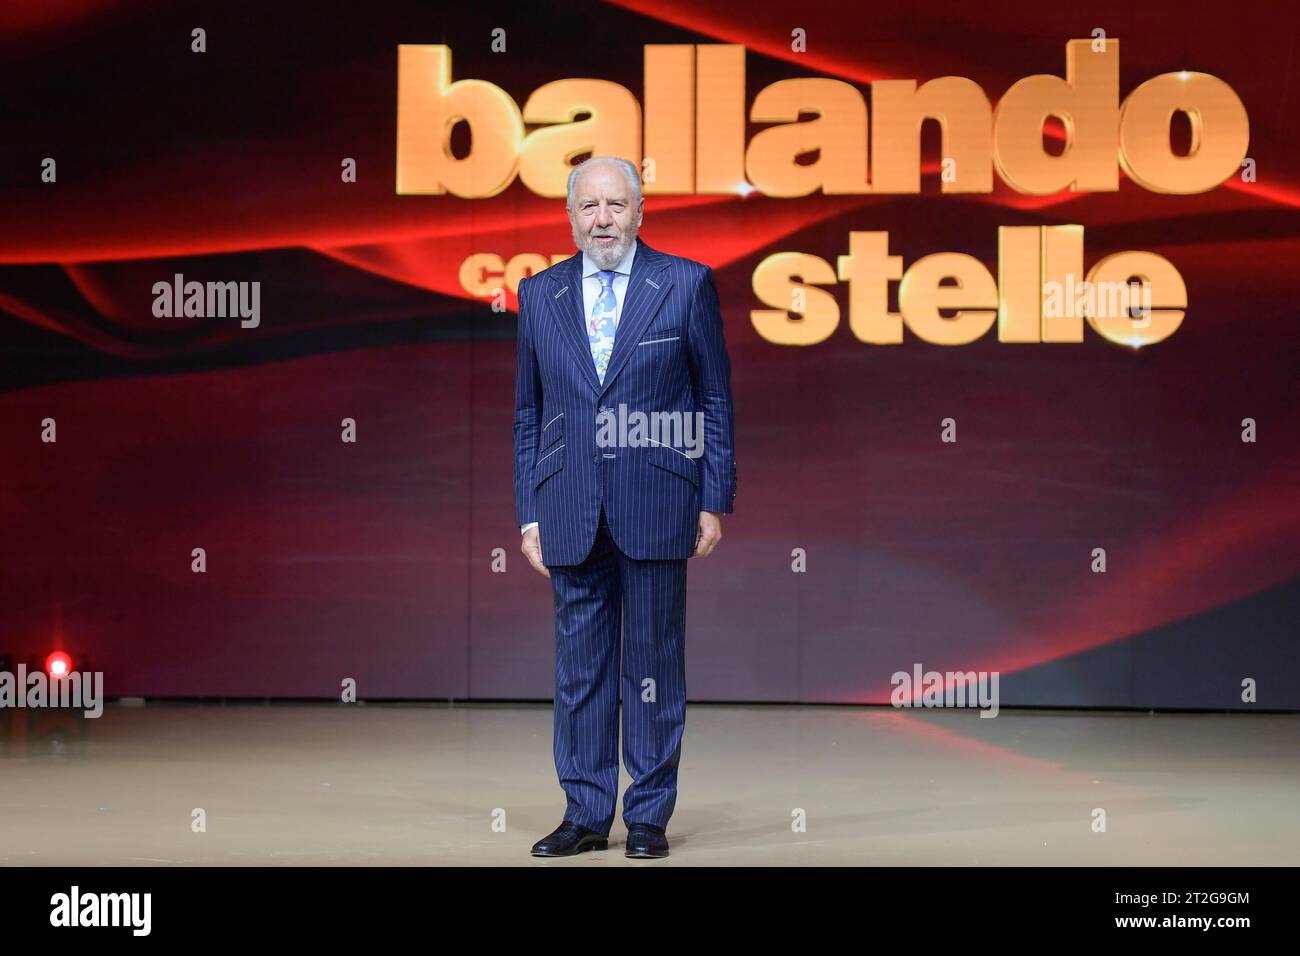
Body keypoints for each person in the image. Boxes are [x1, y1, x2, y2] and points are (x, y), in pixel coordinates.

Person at [512, 155, 737, 858]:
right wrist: (528, 513)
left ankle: (647, 816)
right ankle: (583, 814)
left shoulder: (686, 284)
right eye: (589, 207)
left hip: (659, 501)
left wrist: (713, 497)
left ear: (641, 212)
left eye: (616, 205)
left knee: (651, 667)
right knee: (580, 672)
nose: (603, 219)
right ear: (571, 217)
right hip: (569, 506)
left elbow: (714, 400)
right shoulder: (538, 293)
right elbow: (528, 412)